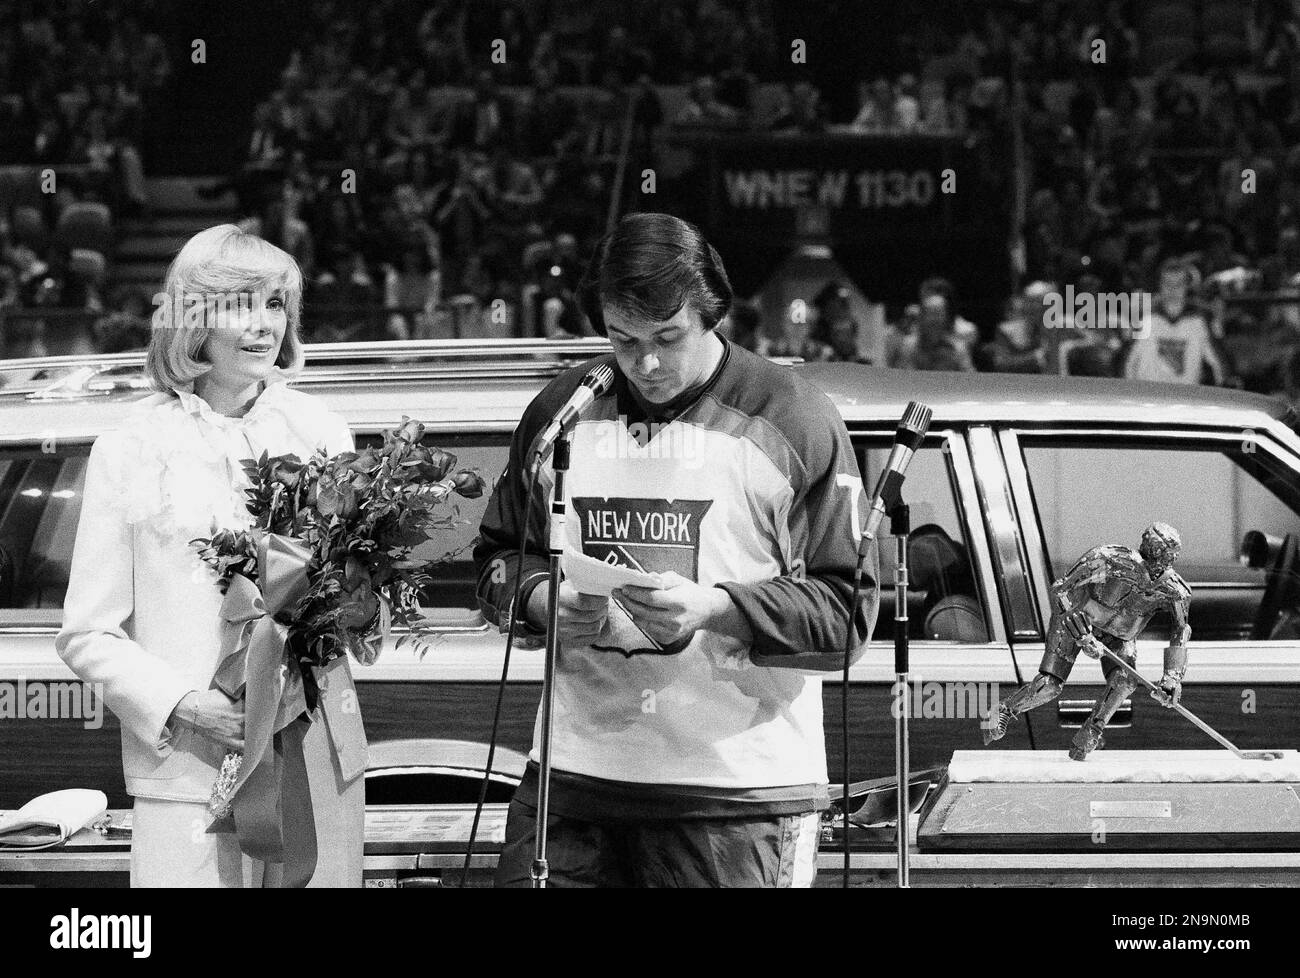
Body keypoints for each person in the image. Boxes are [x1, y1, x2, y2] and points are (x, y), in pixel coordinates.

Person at [474, 213, 877, 887]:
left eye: (668, 336)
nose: (647, 363)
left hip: (738, 799)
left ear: (713, 313)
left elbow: (846, 616)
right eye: (623, 339)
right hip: (571, 784)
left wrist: (715, 608)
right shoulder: (562, 410)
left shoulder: (792, 417)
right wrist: (540, 598)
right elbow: (495, 559)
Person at [56, 225, 366, 886]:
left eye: (276, 305)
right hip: (186, 777)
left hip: (311, 761)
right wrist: (183, 706)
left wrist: (355, 611)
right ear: (190, 321)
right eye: (238, 305)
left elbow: (348, 597)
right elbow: (87, 634)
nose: (263, 327)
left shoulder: (324, 433)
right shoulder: (129, 449)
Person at [983, 523, 1190, 759]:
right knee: (1050, 686)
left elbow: (1180, 629)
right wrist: (1082, 635)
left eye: (1166, 555)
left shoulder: (1174, 591)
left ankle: (1091, 732)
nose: (1159, 561)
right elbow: (1063, 590)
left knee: (1125, 682)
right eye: (1156, 552)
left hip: (1120, 637)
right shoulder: (1109, 560)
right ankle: (1005, 710)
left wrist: (1172, 677)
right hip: (1077, 618)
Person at [1124, 259, 1226, 385]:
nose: (1173, 289)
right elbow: (1127, 362)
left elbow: (1219, 364)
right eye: (1168, 283)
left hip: (1185, 398)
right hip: (1148, 398)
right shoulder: (1144, 317)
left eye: (1178, 284)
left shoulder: (1200, 320)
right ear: (1160, 285)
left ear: (1186, 287)